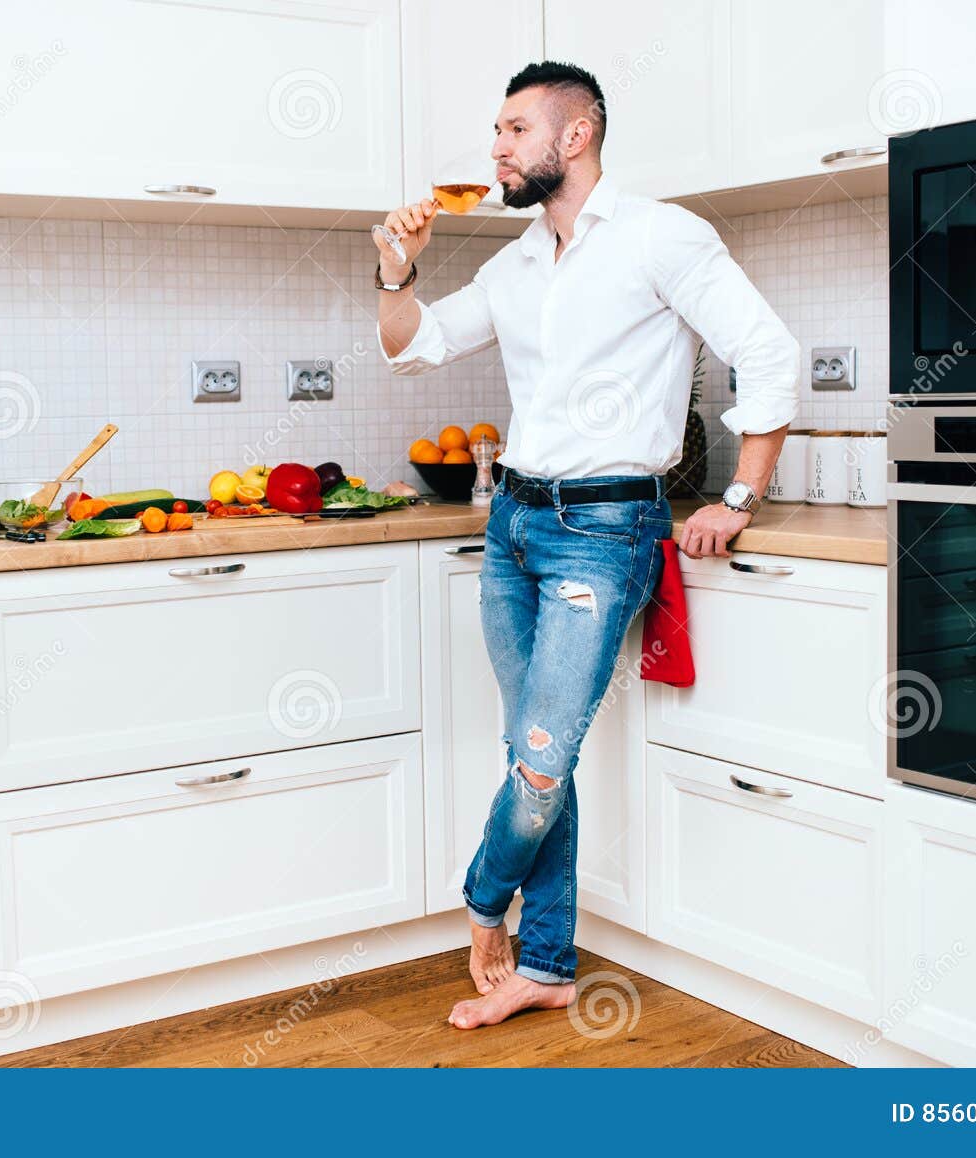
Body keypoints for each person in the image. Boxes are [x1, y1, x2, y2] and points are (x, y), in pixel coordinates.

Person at [375, 60, 800, 1029]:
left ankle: (485, 903)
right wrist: (396, 270)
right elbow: (412, 344)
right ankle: (551, 965)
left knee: (536, 758)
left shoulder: (661, 235)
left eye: (512, 129)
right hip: (512, 527)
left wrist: (739, 493)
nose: (494, 148)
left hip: (603, 531)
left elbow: (767, 350)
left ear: (575, 136)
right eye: (495, 130)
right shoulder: (518, 261)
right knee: (538, 750)